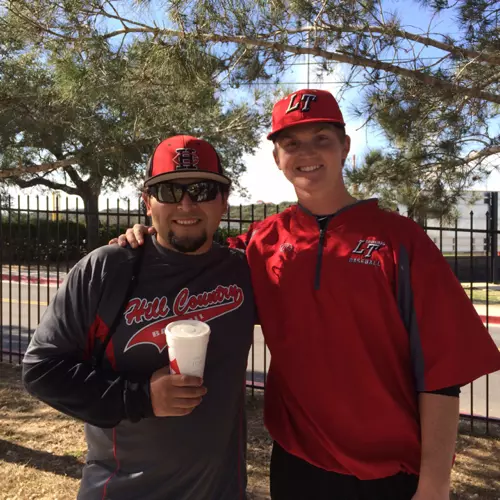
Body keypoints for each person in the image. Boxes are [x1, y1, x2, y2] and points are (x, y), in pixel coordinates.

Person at [113, 90, 500, 500]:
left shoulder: (400, 240)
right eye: (291, 143)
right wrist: (149, 237)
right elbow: (194, 257)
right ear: (278, 157)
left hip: (390, 475)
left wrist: (435, 484)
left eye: (321, 139)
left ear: (345, 147)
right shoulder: (260, 243)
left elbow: (442, 375)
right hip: (297, 465)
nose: (306, 153)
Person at [23, 135, 256, 500]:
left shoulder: (246, 273)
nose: (186, 203)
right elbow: (42, 370)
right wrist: (142, 398)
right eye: (167, 191)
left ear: (224, 201)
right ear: (147, 203)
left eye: (202, 188)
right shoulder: (107, 269)